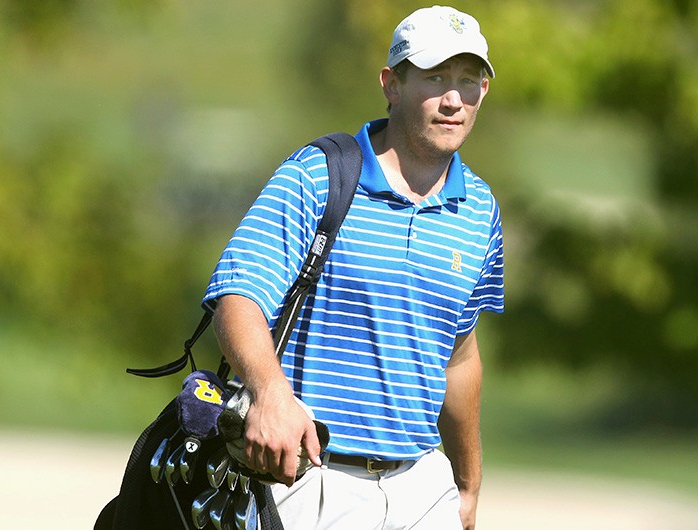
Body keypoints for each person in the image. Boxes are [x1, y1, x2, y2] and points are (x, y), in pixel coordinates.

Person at [202, 6, 504, 529]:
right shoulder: (319, 176)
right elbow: (238, 297)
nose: (454, 99)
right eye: (435, 78)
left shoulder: (479, 210)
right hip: (312, 479)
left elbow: (459, 357)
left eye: (469, 81)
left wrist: (468, 485)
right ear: (392, 84)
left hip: (423, 487)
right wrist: (270, 394)